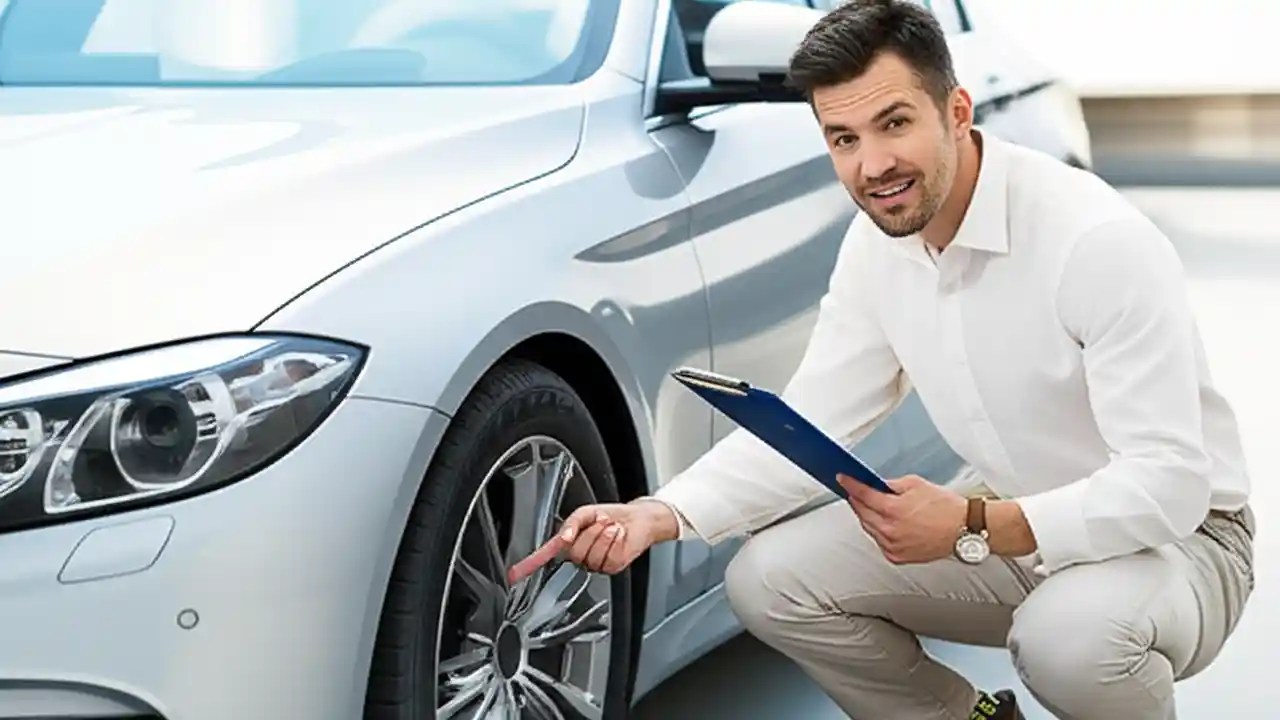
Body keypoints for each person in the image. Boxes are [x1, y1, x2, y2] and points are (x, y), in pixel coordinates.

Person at [508, 1, 1255, 718]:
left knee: (1068, 641)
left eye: (894, 123)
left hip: (1181, 543)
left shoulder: (1095, 243)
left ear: (957, 112)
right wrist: (657, 515)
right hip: (1011, 508)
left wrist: (972, 522)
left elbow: (1170, 482)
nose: (872, 165)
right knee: (771, 581)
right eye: (843, 138)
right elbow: (812, 422)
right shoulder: (878, 248)